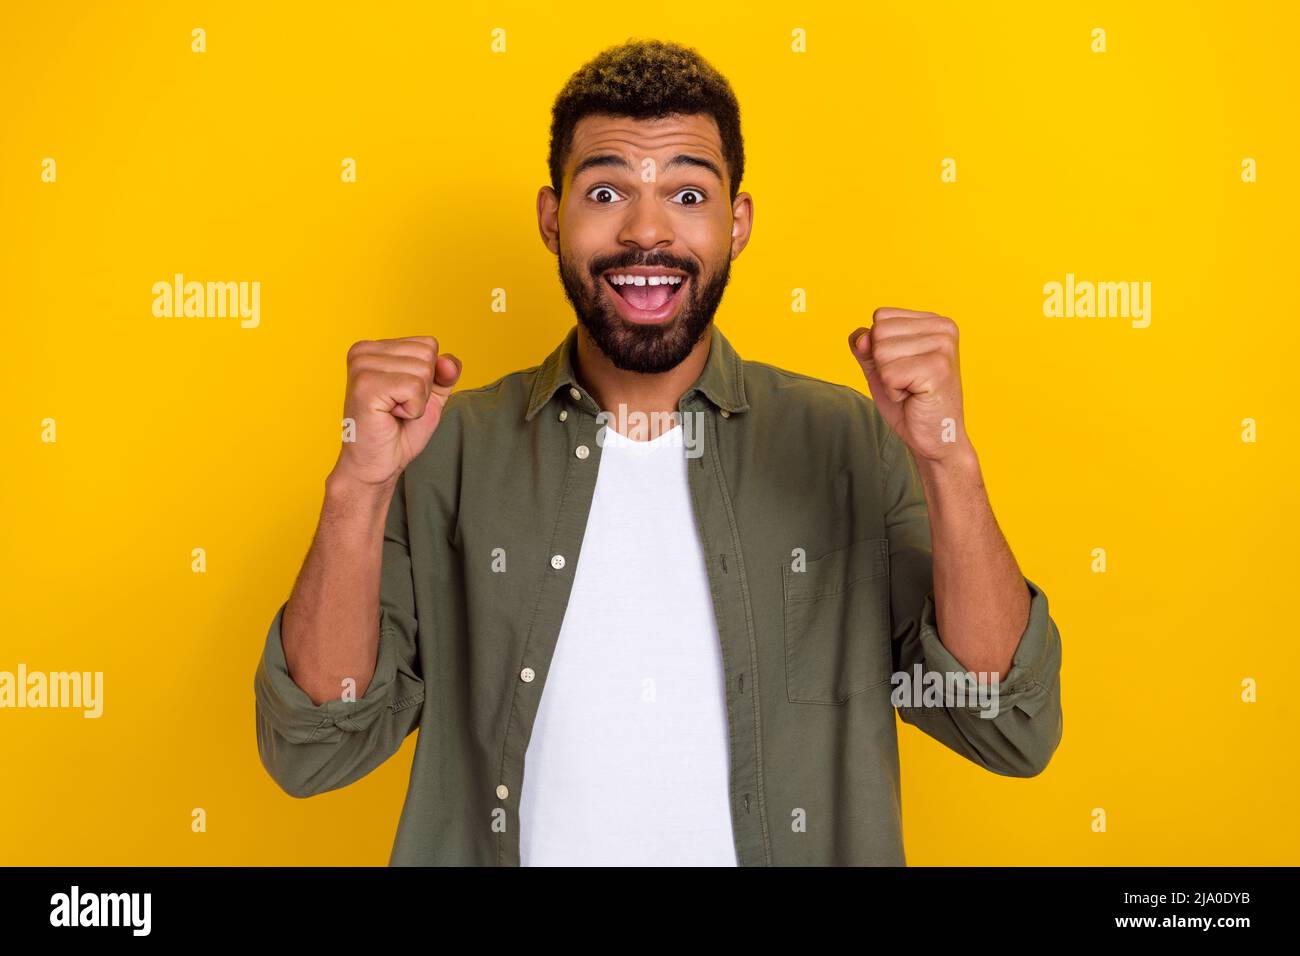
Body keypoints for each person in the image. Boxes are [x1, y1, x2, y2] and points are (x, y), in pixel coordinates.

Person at [253, 38, 1063, 866]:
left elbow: (1001, 721)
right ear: (550, 218)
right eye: (606, 191)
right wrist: (358, 483)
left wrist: (949, 464)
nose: (647, 230)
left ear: (737, 224)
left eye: (686, 192)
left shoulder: (849, 442)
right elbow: (317, 746)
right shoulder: (444, 449)